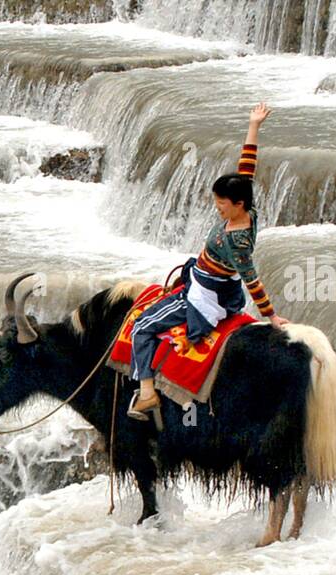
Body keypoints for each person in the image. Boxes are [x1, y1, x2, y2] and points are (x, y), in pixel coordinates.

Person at [128, 101, 289, 420]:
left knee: (141, 327)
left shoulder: (237, 241)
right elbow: (248, 163)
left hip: (205, 295)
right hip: (214, 284)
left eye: (222, 204)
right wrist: (254, 125)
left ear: (239, 204)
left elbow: (252, 280)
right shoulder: (248, 210)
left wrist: (271, 316)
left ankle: (146, 395)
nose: (217, 208)